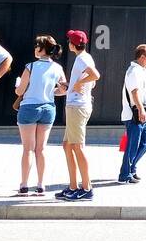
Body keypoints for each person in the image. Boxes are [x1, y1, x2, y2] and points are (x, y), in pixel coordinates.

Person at [13, 35, 67, 195]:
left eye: (37, 46)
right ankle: (41, 184)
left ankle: (23, 185)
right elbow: (63, 90)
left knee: (28, 149)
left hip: (29, 107)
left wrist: (17, 86)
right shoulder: (57, 68)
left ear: (42, 49)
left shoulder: (30, 66)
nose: (35, 48)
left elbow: (20, 91)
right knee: (41, 149)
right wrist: (51, 91)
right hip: (48, 108)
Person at [58, 30, 100, 201]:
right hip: (76, 105)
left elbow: (96, 76)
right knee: (67, 145)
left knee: (77, 146)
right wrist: (70, 86)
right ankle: (73, 186)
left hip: (77, 107)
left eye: (69, 40)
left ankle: (87, 188)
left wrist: (77, 84)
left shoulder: (82, 58)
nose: (68, 43)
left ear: (73, 44)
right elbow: (93, 81)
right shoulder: (85, 58)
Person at [119, 44, 146, 183]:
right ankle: (124, 175)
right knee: (132, 145)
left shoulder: (141, 70)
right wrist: (140, 109)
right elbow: (134, 91)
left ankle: (132, 167)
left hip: (143, 115)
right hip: (135, 115)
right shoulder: (134, 71)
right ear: (142, 56)